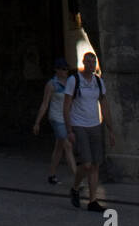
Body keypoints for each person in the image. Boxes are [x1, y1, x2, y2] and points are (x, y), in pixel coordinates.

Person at [64, 51, 115, 211]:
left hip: (95, 125)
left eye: (94, 62)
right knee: (86, 164)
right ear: (84, 63)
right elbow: (66, 106)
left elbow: (104, 105)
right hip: (79, 124)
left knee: (95, 164)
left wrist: (110, 129)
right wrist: (69, 130)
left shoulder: (98, 82)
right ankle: (75, 187)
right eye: (89, 62)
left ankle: (93, 201)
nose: (92, 65)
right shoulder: (74, 80)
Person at [33, 58, 77, 183]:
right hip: (56, 117)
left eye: (66, 69)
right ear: (56, 70)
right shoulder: (51, 84)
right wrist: (37, 122)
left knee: (59, 147)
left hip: (67, 117)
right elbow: (45, 104)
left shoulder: (70, 82)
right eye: (63, 69)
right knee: (67, 145)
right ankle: (77, 178)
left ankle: (51, 175)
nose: (65, 71)